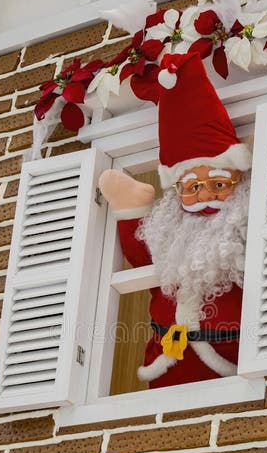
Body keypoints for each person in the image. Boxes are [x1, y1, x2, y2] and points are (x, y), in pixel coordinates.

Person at [98, 52, 251, 388]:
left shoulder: (245, 228)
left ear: (238, 181)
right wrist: (131, 212)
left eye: (219, 183)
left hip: (235, 356)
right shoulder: (171, 231)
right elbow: (141, 257)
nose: (206, 195)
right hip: (169, 356)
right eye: (193, 187)